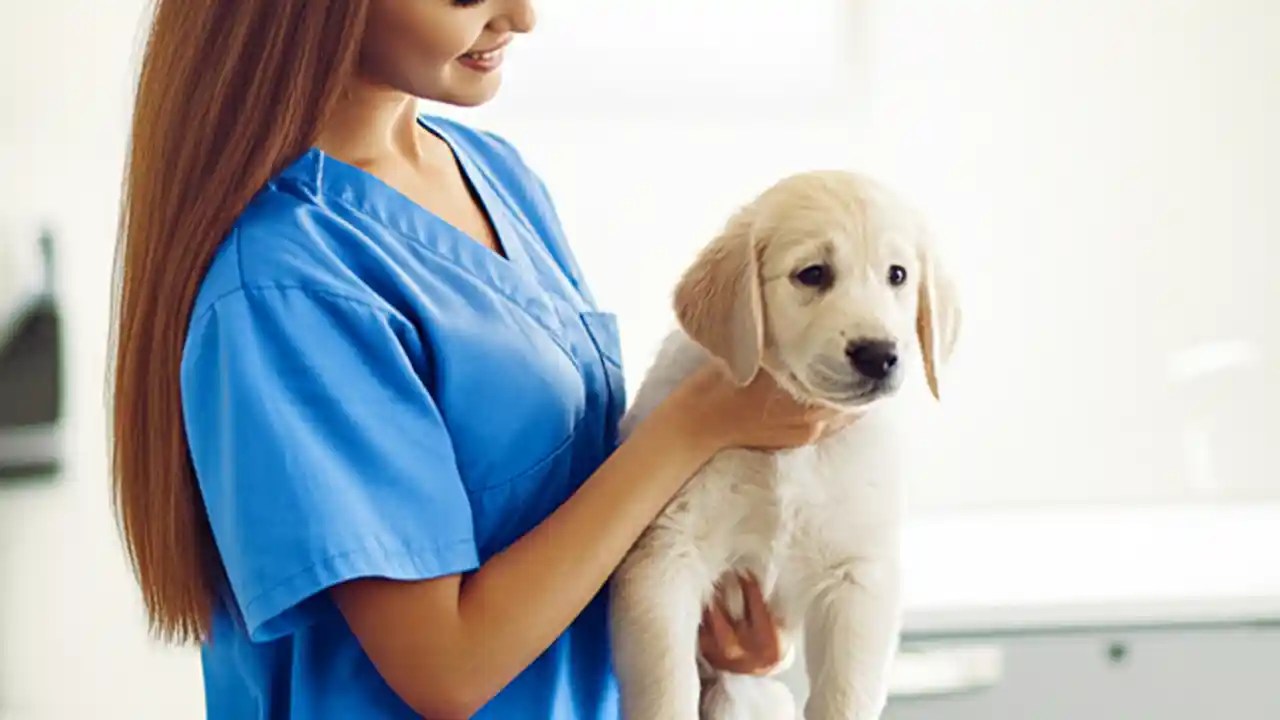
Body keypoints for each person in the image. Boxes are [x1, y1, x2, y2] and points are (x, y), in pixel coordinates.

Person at [111, 2, 851, 718]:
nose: (521, 16)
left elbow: (567, 522)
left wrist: (691, 622)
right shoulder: (289, 284)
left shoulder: (492, 175)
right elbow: (446, 666)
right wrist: (696, 422)